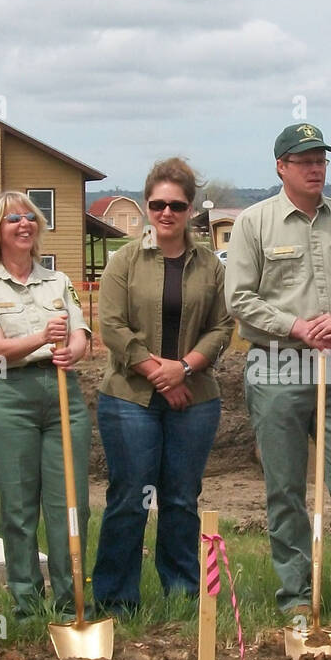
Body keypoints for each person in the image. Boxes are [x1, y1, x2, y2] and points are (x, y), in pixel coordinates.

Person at [226, 123, 331, 623]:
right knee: (285, 488)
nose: (315, 168)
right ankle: (297, 596)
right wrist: (296, 326)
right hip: (275, 366)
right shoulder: (253, 224)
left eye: (321, 159)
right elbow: (240, 299)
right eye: (304, 160)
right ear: (282, 167)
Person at [93, 158, 234, 614]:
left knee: (179, 498)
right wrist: (159, 372)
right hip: (129, 399)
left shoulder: (211, 266)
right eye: (158, 204)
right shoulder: (124, 261)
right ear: (148, 206)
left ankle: (182, 595)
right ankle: (116, 601)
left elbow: (222, 326)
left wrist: (184, 370)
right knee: (128, 498)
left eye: (176, 205)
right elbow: (111, 325)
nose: (166, 213)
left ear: (191, 209)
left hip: (194, 399)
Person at [0, 192, 91, 619]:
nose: (24, 225)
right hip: (8, 394)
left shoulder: (59, 281)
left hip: (61, 396)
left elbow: (80, 333)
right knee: (18, 506)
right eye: (13, 218)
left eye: (30, 218)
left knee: (69, 503)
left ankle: (72, 599)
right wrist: (41, 337)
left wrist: (73, 349)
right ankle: (26, 605)